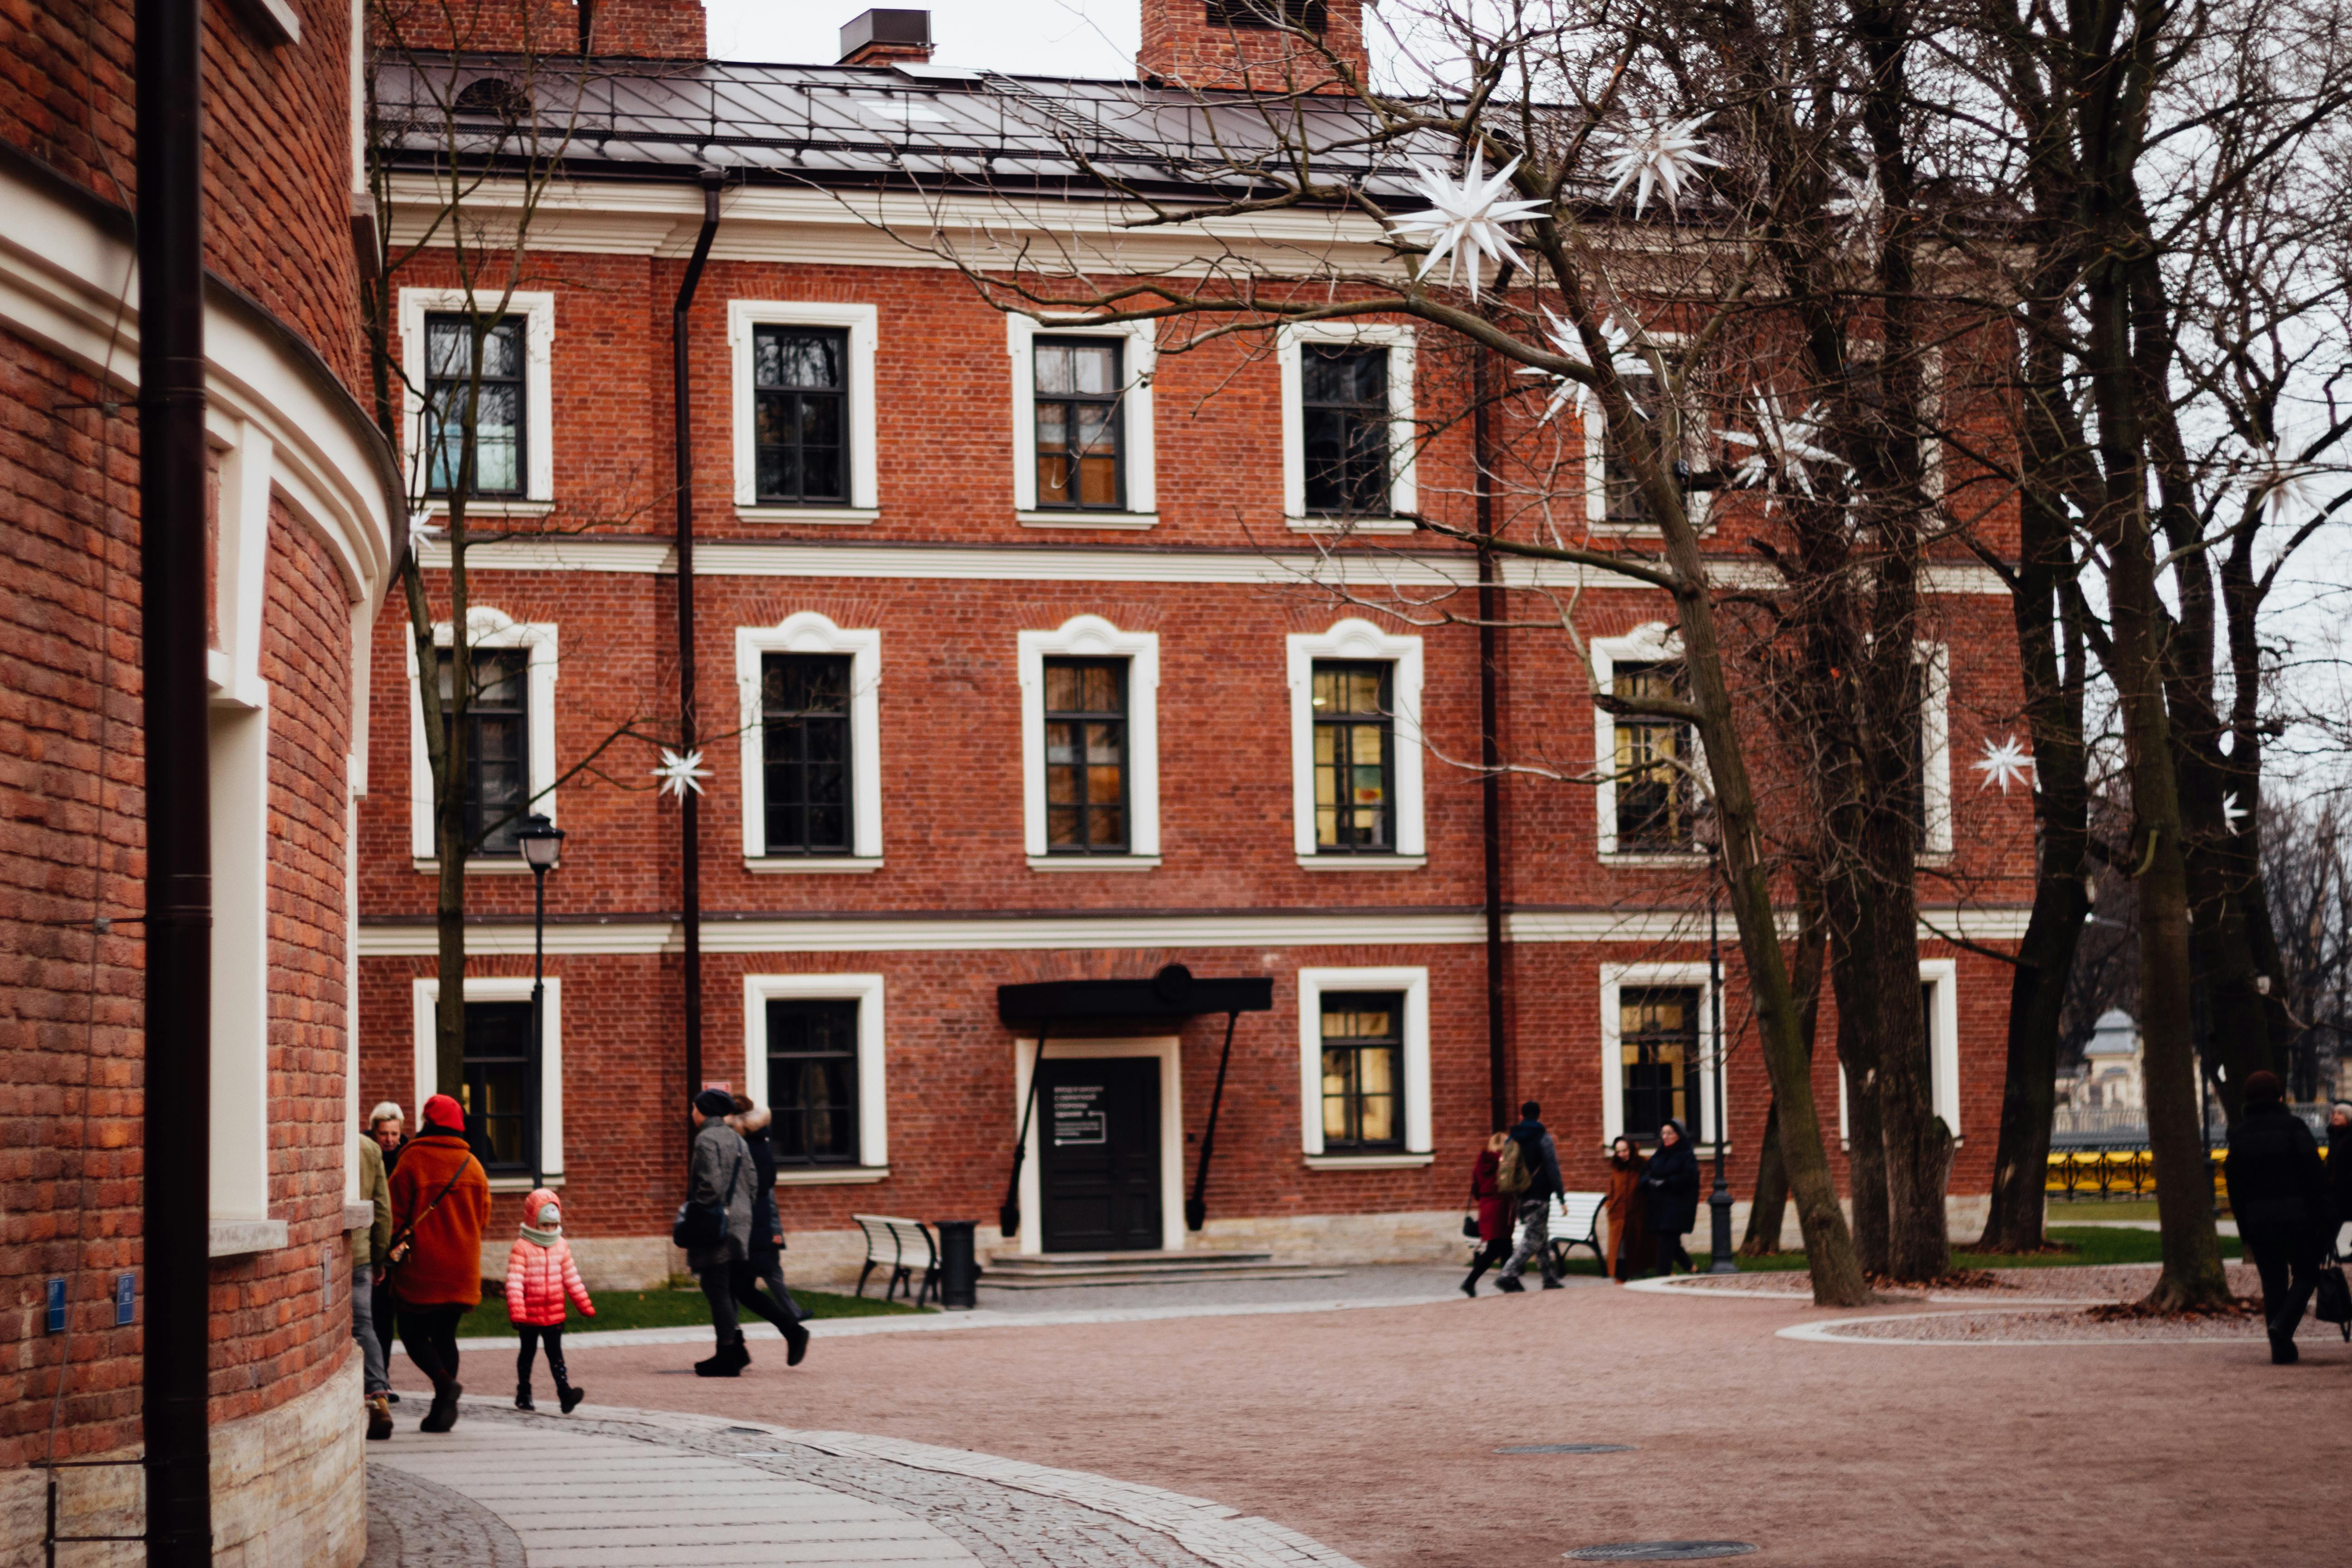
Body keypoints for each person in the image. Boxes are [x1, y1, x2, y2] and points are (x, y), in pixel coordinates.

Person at [387, 1093, 491, 1431]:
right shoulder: (474, 1166)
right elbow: (484, 1218)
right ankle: (441, 1411)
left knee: (413, 1332)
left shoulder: (413, 1161)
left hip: (424, 1267)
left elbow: (393, 1213)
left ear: (427, 1123)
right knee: (446, 1335)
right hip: (463, 1268)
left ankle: (444, 1384)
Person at [2224, 1070, 2337, 1364]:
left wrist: (2244, 1226)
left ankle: (2280, 1348)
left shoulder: (2238, 1135)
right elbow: (2315, 1177)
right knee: (2307, 1274)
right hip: (2299, 1219)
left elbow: (2234, 1188)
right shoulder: (2294, 1127)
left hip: (2259, 1222)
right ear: (2278, 1096)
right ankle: (2283, 1327)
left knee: (2272, 1283)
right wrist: (2326, 1218)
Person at [727, 1095, 812, 1366]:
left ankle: (788, 1330)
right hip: (754, 1226)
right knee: (736, 1288)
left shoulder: (745, 1146)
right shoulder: (758, 1142)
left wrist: (773, 1231)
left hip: (748, 1228)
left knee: (736, 1287)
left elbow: (755, 1192)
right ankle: (739, 1346)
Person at [686, 1088, 757, 1377]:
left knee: (716, 1287)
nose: (692, 1113)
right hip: (741, 1219)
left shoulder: (706, 1138)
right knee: (728, 1287)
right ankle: (735, 1349)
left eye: (694, 1108)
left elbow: (710, 1185)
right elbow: (753, 1181)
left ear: (704, 1112)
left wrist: (699, 1211)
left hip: (717, 1220)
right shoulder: (738, 1138)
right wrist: (742, 1208)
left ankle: (727, 1353)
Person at [505, 1187, 594, 1412]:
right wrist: (518, 1311)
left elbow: (571, 1277)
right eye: (545, 1225)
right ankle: (524, 1392)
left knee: (556, 1355)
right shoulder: (522, 1248)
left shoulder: (561, 1246)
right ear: (533, 1222)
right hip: (529, 1315)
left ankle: (565, 1393)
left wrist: (583, 1303)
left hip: (554, 1313)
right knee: (528, 1353)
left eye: (553, 1225)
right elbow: (514, 1281)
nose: (549, 1230)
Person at [1494, 1101, 1566, 1293]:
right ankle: (1507, 1274)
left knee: (1540, 1234)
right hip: (1540, 1193)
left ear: (1521, 1116)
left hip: (1520, 1194)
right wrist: (1561, 1195)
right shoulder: (1543, 1138)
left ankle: (1549, 1278)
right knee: (1533, 1237)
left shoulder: (1512, 1139)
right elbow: (1553, 1168)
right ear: (1539, 1115)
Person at [353, 1127, 395, 1440]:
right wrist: (379, 1257)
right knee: (364, 1325)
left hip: (320, 1252)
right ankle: (379, 1395)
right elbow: (382, 1209)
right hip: (358, 1253)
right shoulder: (368, 1149)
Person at [366, 1102, 407, 1393]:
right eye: (384, 1134)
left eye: (394, 1133)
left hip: (398, 1250)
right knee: (371, 1318)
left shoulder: (407, 1157)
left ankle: (383, 1377)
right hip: (370, 1246)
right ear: (374, 1132)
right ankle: (375, 1379)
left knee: (386, 1318)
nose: (389, 1140)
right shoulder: (366, 1154)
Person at [1642, 1119, 1701, 1276]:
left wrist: (1667, 1182)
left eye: (1670, 1133)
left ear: (1679, 1135)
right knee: (1672, 1242)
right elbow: (1647, 1172)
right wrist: (1648, 1182)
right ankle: (1693, 1269)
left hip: (1678, 1205)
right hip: (1659, 1206)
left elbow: (1689, 1178)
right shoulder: (1660, 1153)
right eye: (1663, 1133)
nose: (1665, 1137)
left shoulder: (1686, 1154)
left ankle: (1663, 1273)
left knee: (1666, 1239)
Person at [1460, 1132, 1513, 1297]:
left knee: (1505, 1246)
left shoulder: (1481, 1162)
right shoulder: (1505, 1163)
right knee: (1495, 1248)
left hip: (1486, 1207)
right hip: (1501, 1207)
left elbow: (1476, 1188)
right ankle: (1471, 1281)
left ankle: (1509, 1281)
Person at [1602, 1135, 1651, 1283]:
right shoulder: (1616, 1167)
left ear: (1631, 1149)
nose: (1622, 1155)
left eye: (1625, 1151)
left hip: (1636, 1213)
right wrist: (1610, 1205)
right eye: (1618, 1152)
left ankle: (1636, 1276)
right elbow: (1613, 1188)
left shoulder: (1643, 1164)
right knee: (1619, 1249)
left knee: (1636, 1247)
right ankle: (1620, 1278)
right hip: (1617, 1214)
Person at [2329, 1102, 2352, 1262]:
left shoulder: (2349, 1137)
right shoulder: (2334, 1136)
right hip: (2336, 1187)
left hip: (2348, 1186)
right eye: (2334, 1113)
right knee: (2334, 1219)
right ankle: (2330, 1249)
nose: (2336, 1116)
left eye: (2341, 1114)